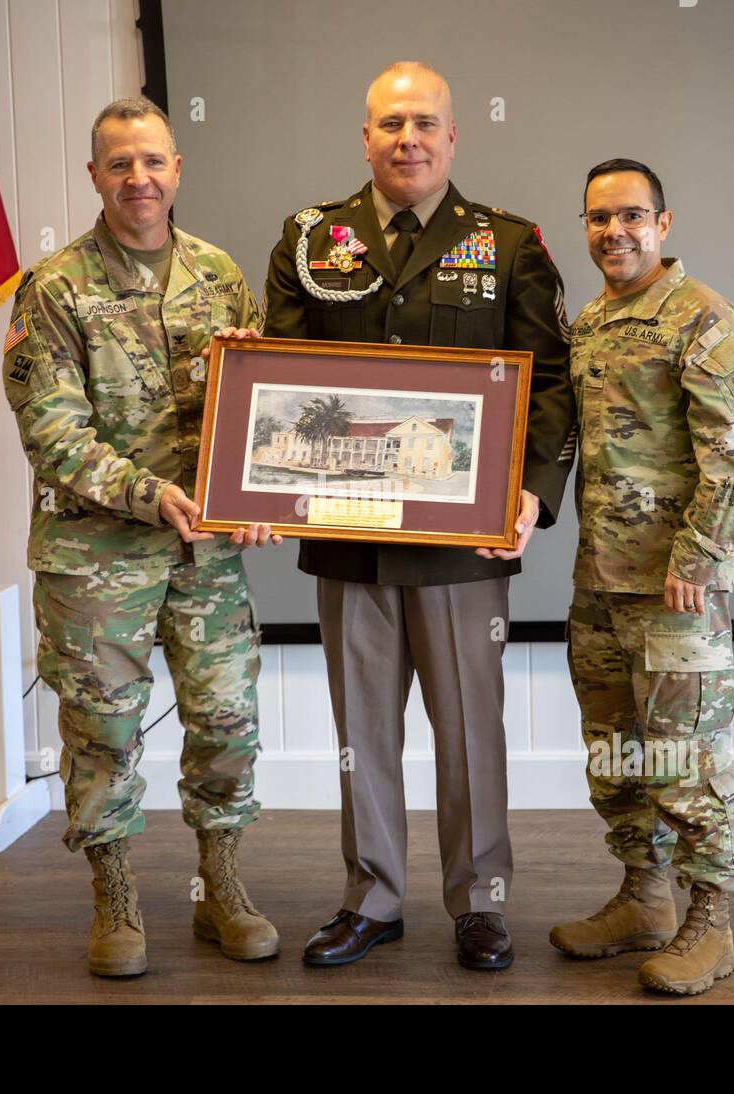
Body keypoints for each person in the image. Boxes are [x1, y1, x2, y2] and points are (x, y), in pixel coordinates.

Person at [258, 62, 576, 969]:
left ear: (452, 137)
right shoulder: (312, 239)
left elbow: (548, 383)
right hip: (350, 534)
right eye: (391, 123)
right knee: (365, 734)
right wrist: (262, 478)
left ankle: (479, 901)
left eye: (426, 123)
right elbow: (278, 376)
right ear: (365, 137)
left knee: (470, 732)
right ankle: (375, 899)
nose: (409, 138)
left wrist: (536, 493)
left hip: (462, 547)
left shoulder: (509, 244)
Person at [2, 96, 281, 977]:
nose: (139, 178)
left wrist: (264, 482)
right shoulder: (54, 287)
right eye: (120, 164)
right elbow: (52, 431)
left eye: (153, 161)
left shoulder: (222, 276)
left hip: (206, 555)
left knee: (227, 723)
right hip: (96, 558)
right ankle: (115, 897)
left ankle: (221, 889)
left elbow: (260, 412)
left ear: (177, 169)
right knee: (102, 733)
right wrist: (147, 492)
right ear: (94, 176)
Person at [549, 158, 734, 995]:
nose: (616, 232)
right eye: (600, 218)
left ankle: (711, 922)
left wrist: (700, 561)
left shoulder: (702, 319)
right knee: (615, 752)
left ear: (664, 224)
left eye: (633, 215)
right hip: (600, 584)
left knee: (685, 758)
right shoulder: (593, 322)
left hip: (675, 588)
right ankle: (643, 896)